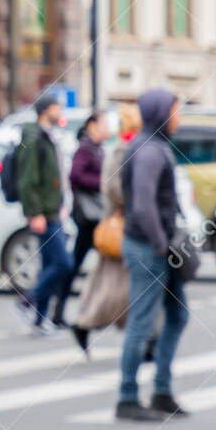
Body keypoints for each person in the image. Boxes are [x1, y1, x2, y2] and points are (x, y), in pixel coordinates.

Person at [117, 88, 192, 422]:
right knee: (142, 324)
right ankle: (127, 397)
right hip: (150, 249)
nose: (179, 117)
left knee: (177, 316)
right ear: (161, 113)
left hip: (156, 246)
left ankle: (162, 391)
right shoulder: (149, 151)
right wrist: (162, 243)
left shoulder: (153, 146)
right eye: (176, 111)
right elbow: (142, 205)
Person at [72, 105, 139, 355]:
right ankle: (85, 323)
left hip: (118, 223)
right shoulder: (120, 150)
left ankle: (87, 324)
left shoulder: (118, 148)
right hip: (118, 225)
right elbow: (109, 186)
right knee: (112, 285)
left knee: (113, 283)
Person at [19, 92, 73, 334]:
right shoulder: (34, 139)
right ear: (45, 111)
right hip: (44, 214)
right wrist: (35, 213)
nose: (60, 111)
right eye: (56, 107)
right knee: (63, 263)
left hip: (53, 210)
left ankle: (40, 320)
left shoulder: (48, 137)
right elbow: (28, 180)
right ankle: (27, 300)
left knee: (49, 263)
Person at [67, 112, 108, 310]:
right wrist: (101, 183)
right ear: (92, 126)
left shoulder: (97, 149)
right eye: (104, 124)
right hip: (89, 216)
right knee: (76, 263)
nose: (107, 128)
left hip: (94, 216)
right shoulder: (86, 149)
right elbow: (75, 175)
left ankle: (57, 310)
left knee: (78, 262)